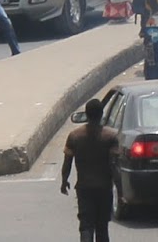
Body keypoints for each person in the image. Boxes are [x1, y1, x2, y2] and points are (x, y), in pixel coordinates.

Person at [61, 97, 120, 242]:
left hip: (84, 188)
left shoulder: (74, 136)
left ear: (86, 115)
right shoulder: (110, 137)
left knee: (86, 226)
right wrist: (120, 187)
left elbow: (67, 162)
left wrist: (64, 181)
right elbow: (114, 165)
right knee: (102, 227)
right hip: (104, 188)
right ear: (101, 115)